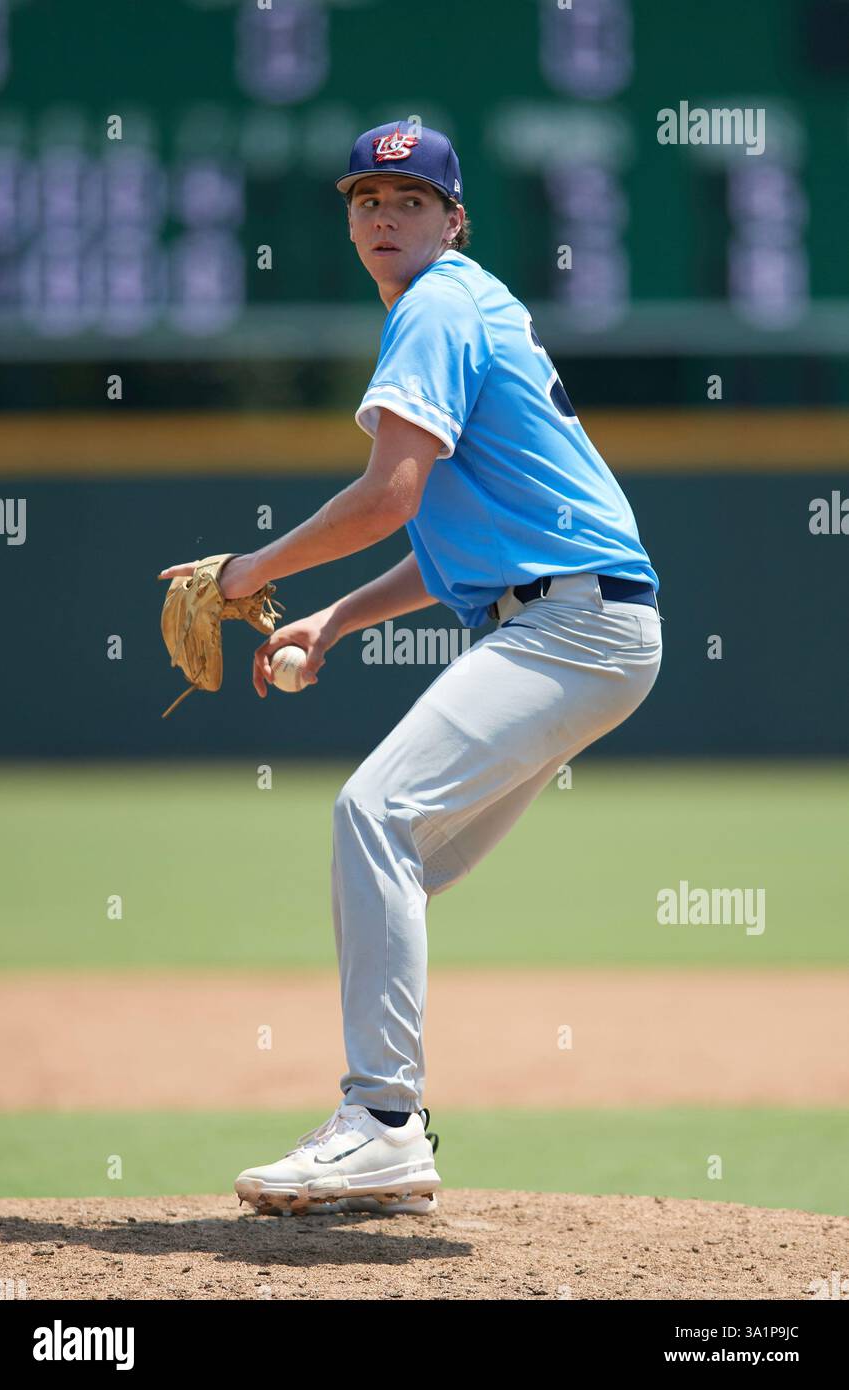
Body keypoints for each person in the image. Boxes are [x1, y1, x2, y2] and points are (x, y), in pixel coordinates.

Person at [159, 121, 663, 1217]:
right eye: (364, 199)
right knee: (397, 862)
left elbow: (385, 496)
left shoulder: (435, 305)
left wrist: (248, 571)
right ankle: (385, 1137)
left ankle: (382, 1122)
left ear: (450, 217)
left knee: (371, 817)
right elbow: (443, 536)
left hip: (567, 627)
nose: (383, 216)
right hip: (586, 623)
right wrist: (331, 619)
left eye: (407, 198)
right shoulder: (467, 303)